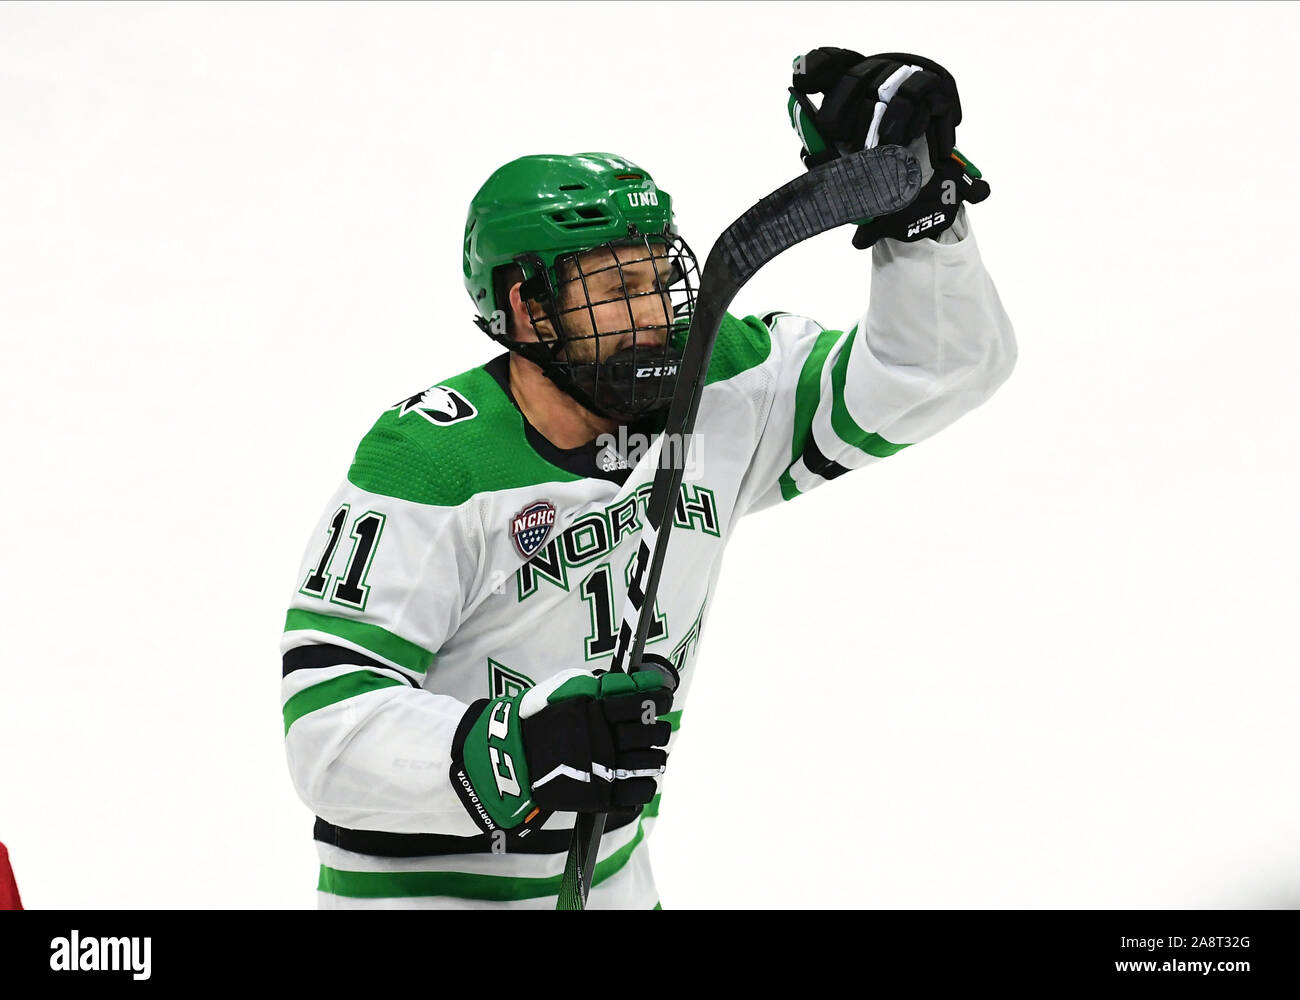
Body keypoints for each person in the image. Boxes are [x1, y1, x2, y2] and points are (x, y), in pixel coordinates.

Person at [280, 49, 1017, 909]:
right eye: (616, 289)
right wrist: (517, 749)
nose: (655, 315)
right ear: (527, 306)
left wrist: (921, 220)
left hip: (615, 884)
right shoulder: (431, 464)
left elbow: (946, 365)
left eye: (658, 279)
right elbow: (327, 737)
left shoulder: (720, 383)